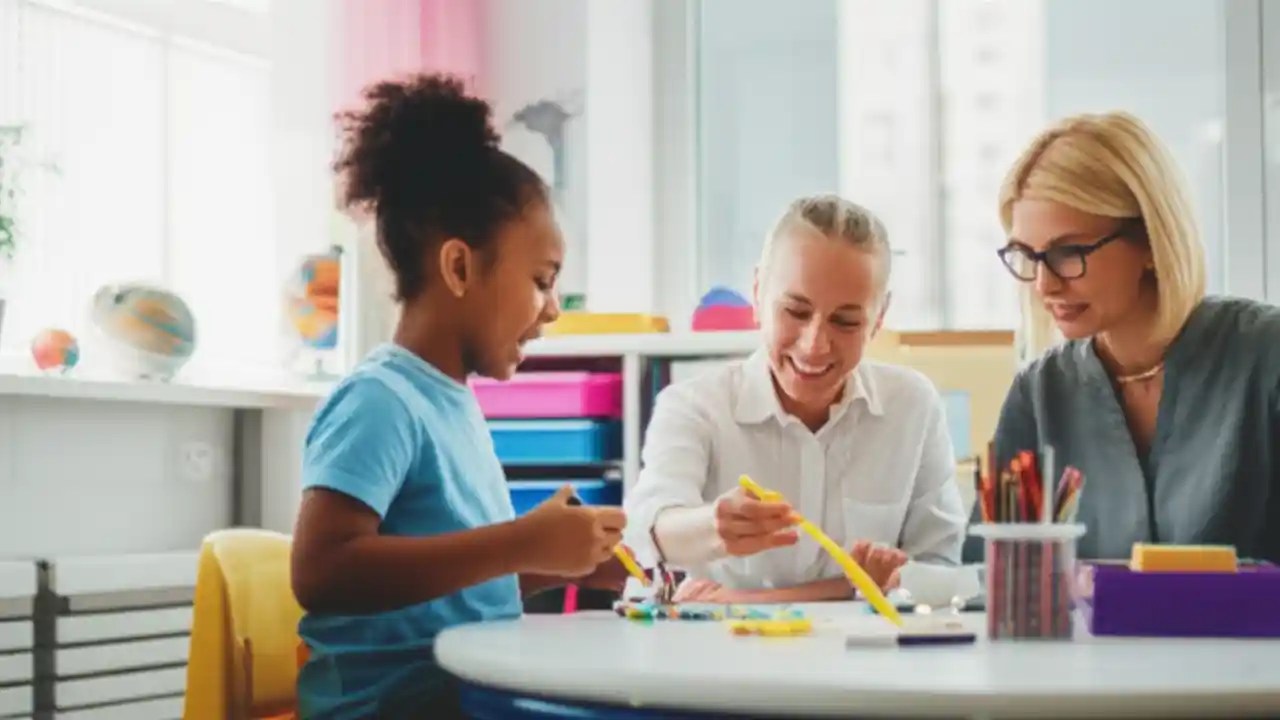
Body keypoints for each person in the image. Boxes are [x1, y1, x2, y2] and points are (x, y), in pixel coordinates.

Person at [289, 74, 630, 719]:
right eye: (542, 280)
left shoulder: (451, 403)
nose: (553, 309)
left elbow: (453, 589)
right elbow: (323, 572)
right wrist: (521, 543)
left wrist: (565, 564)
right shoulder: (380, 400)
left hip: (456, 695)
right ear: (459, 268)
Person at [623, 195, 967, 605]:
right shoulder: (694, 406)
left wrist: (744, 601)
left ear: (878, 318)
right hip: (721, 645)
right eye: (796, 311)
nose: (814, 345)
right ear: (758, 294)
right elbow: (651, 531)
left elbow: (942, 573)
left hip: (858, 647)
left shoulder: (912, 406)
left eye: (846, 321)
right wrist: (713, 526)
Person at [969, 110, 1280, 562]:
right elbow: (988, 574)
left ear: (1151, 242)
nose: (1044, 284)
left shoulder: (1265, 359)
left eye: (1068, 251)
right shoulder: (1040, 393)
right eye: (1026, 255)